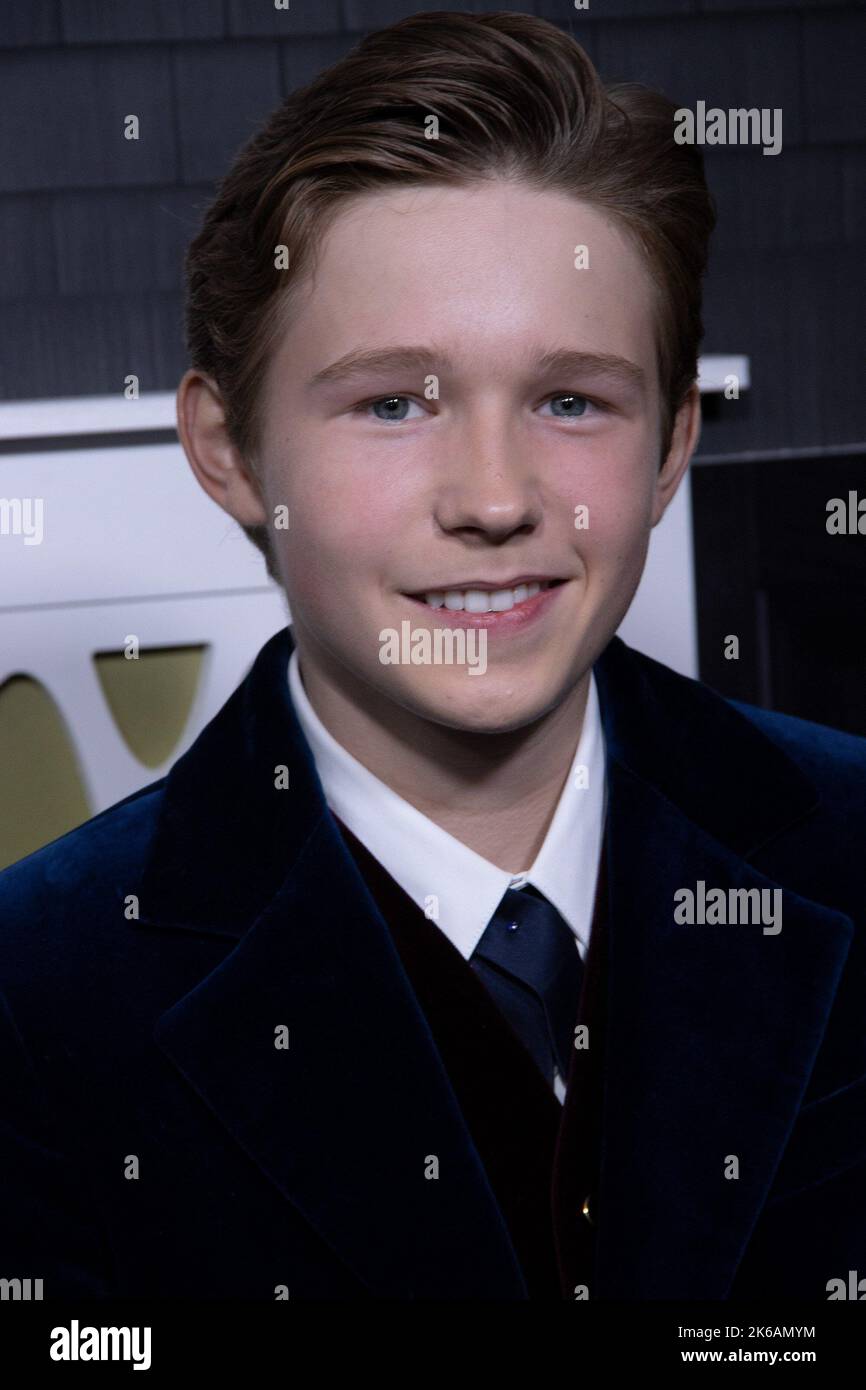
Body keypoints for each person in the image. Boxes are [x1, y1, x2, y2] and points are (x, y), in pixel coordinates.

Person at [1, 10, 864, 1302]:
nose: (494, 494)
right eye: (392, 402)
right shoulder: (41, 991)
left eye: (570, 399)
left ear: (671, 444)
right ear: (230, 449)